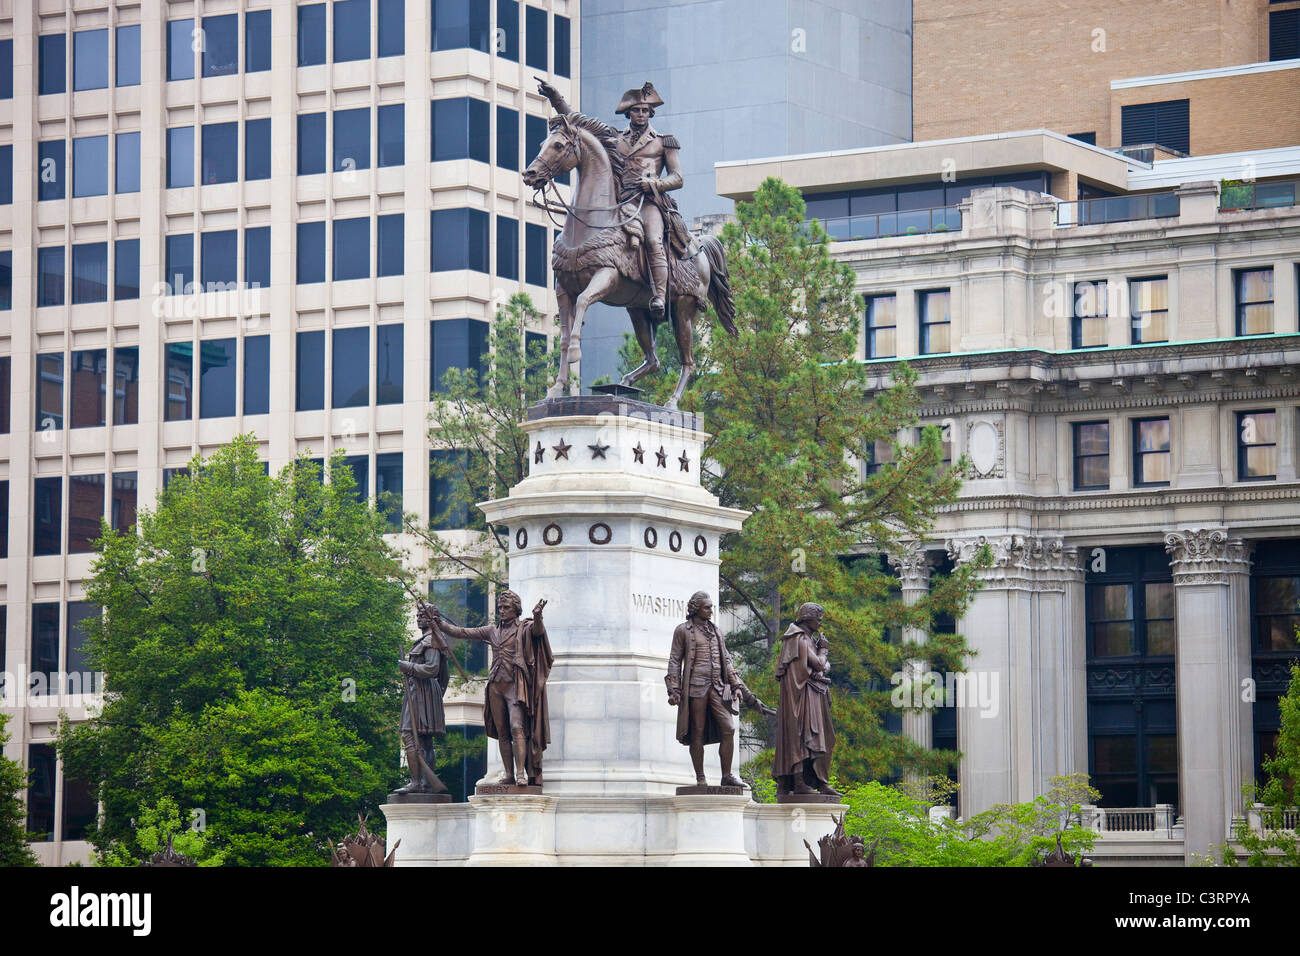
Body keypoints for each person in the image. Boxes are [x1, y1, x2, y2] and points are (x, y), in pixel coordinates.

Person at [537, 79, 695, 321]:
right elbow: (577, 120)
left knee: (653, 239)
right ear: (628, 113)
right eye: (636, 110)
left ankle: (659, 296)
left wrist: (655, 183)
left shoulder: (664, 141)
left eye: (645, 110)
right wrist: (556, 98)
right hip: (619, 200)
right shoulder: (614, 138)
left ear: (650, 113)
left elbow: (678, 178)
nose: (641, 114)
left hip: (648, 202)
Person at [431, 591, 552, 787]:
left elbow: (538, 632)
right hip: (495, 685)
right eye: (500, 608)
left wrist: (538, 616)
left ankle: (521, 774)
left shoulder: (524, 628)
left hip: (514, 686)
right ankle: (509, 774)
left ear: (516, 610)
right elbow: (461, 632)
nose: (502, 611)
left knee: (516, 727)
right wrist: (439, 624)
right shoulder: (491, 631)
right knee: (502, 732)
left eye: (506, 608)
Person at [665, 591, 770, 787]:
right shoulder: (683, 630)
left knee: (729, 728)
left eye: (711, 607)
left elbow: (727, 661)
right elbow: (674, 660)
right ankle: (700, 778)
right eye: (707, 607)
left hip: (717, 687)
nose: (711, 611)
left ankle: (727, 775)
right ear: (696, 608)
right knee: (697, 731)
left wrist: (737, 685)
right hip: (695, 688)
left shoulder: (716, 632)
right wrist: (674, 689)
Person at [773, 602, 839, 796]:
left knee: (824, 737)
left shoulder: (808, 640)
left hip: (814, 696)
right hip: (802, 699)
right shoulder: (799, 640)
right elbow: (820, 664)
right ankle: (799, 781)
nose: (821, 620)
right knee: (805, 738)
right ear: (807, 617)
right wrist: (824, 650)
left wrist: (821, 665)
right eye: (818, 617)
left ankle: (820, 781)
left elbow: (821, 668)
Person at [393, 602, 451, 795]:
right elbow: (444, 677)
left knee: (410, 735)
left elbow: (433, 668)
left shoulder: (432, 640)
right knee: (424, 740)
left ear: (431, 618)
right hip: (423, 692)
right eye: (417, 615)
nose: (418, 618)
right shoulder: (429, 640)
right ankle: (424, 783)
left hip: (421, 692)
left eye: (422, 615)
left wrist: (407, 668)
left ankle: (417, 782)